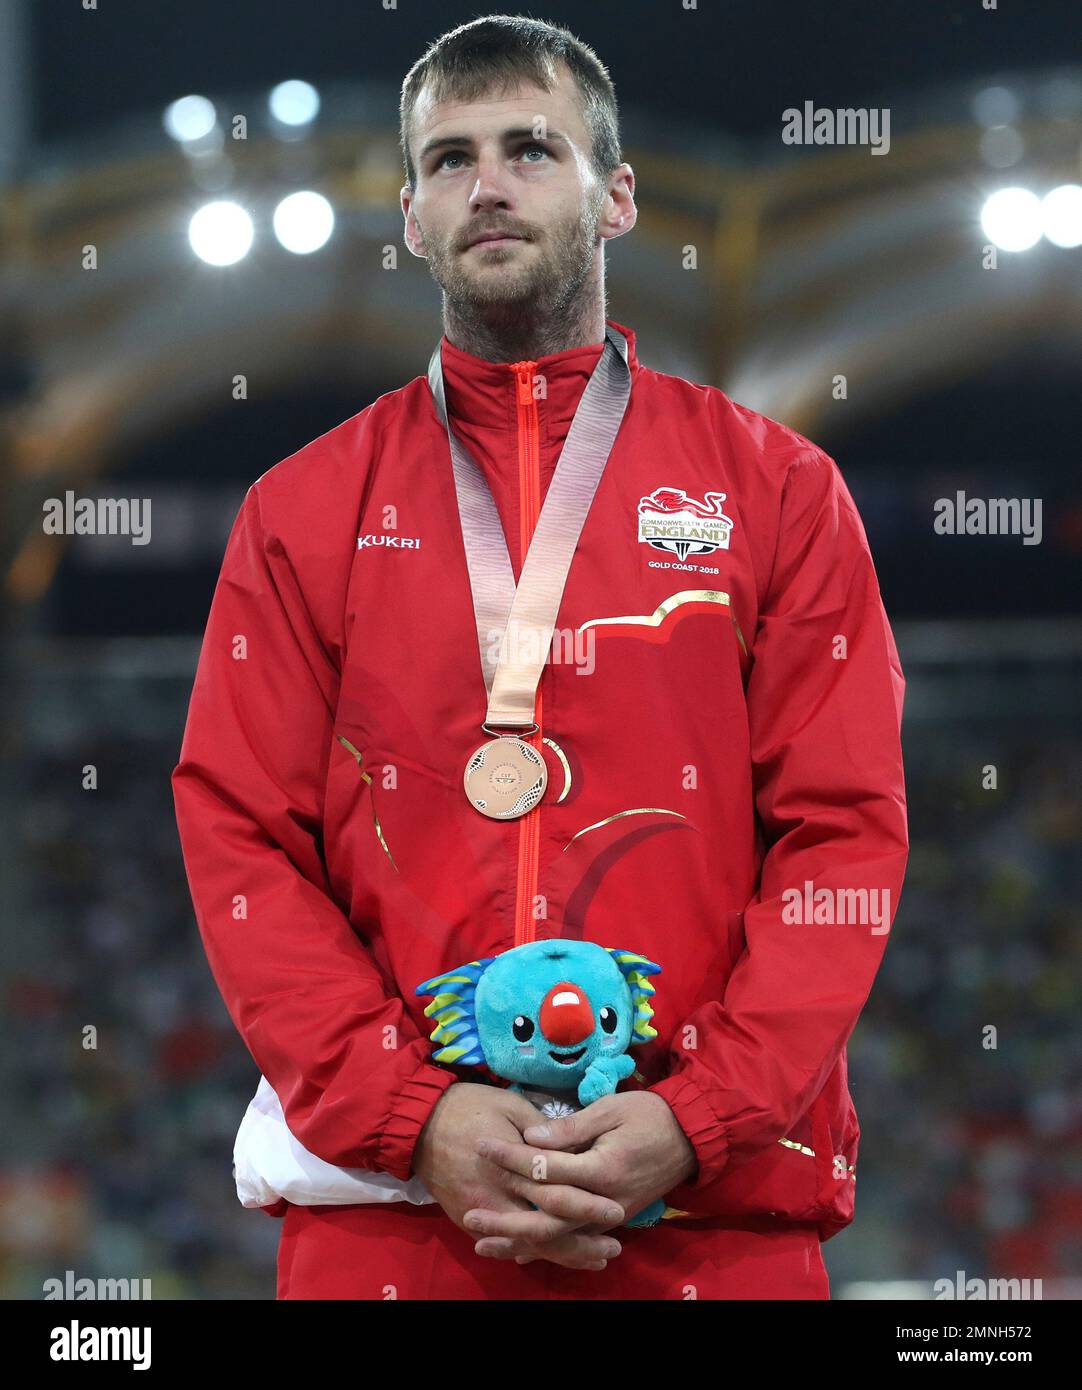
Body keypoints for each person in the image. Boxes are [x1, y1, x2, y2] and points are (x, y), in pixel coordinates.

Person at [171, 13, 909, 1301]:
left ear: (617, 195)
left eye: (532, 148)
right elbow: (241, 834)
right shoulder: (301, 511)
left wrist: (700, 1113)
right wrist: (414, 1117)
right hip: (393, 1224)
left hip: (709, 1218)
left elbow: (841, 833)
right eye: (450, 159)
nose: (489, 184)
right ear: (410, 214)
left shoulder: (777, 490)